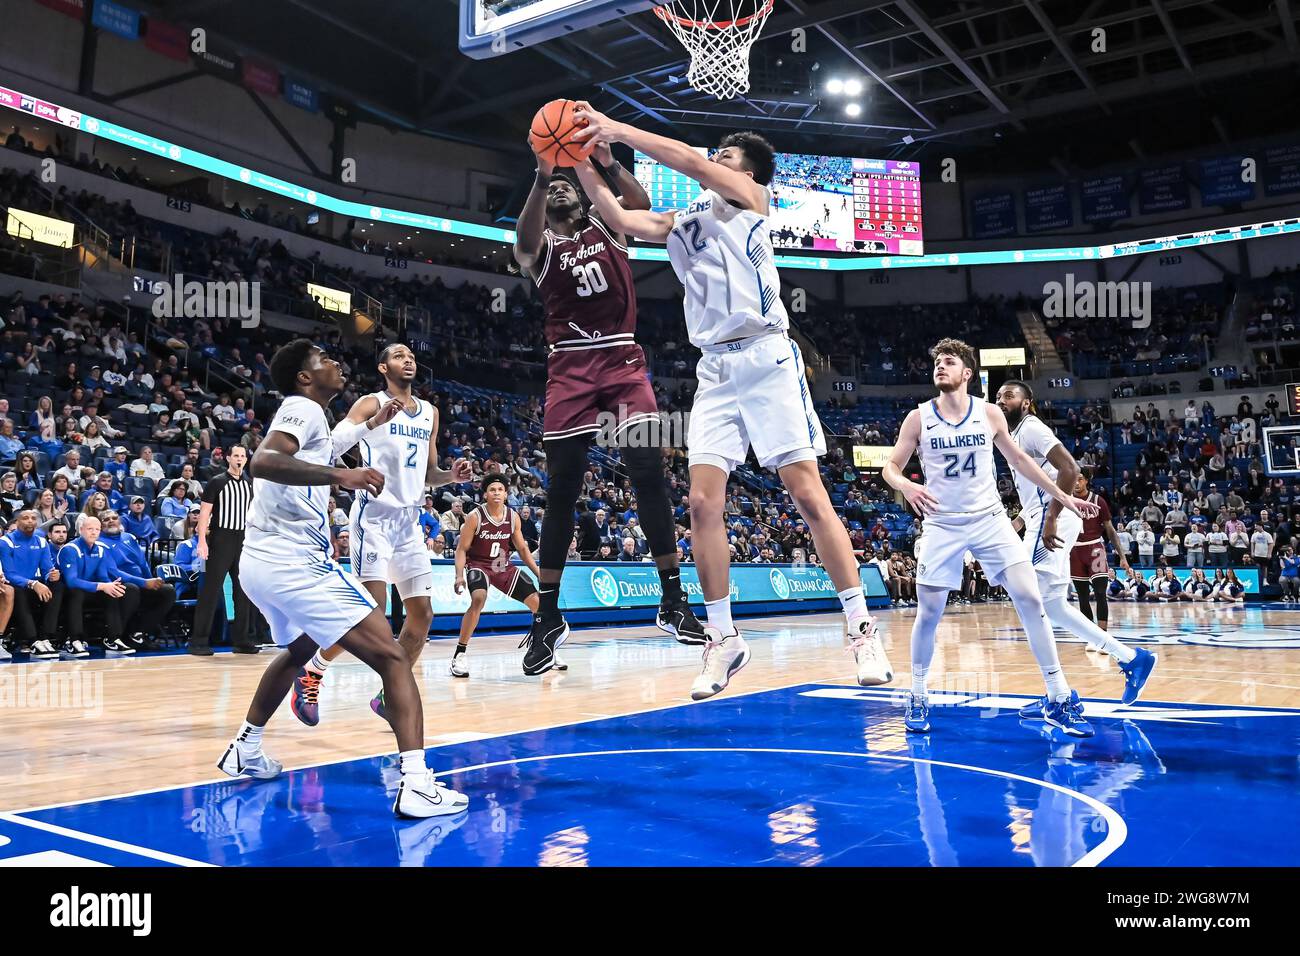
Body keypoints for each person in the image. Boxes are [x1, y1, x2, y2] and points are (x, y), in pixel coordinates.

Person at [570, 110, 885, 699]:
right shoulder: (686, 218)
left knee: (808, 493)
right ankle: (723, 638)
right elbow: (618, 217)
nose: (717, 160)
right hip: (713, 368)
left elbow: (687, 161)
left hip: (767, 357)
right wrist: (584, 162)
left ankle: (861, 629)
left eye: (728, 156)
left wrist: (616, 129)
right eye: (717, 154)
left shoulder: (750, 200)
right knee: (701, 502)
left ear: (750, 173)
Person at [216, 339, 469, 819]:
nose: (336, 362)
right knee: (393, 658)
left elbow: (331, 447)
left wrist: (368, 430)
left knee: (299, 649)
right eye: (324, 360)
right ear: (305, 377)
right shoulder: (301, 407)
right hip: (294, 562)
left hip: (263, 562)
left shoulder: (319, 419)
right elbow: (264, 462)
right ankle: (417, 784)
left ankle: (245, 747)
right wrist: (344, 478)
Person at [512, 137, 704, 678]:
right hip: (569, 373)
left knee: (649, 471)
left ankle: (672, 600)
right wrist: (540, 174)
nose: (562, 191)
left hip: (622, 364)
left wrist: (606, 161)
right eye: (554, 190)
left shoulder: (608, 225)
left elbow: (638, 205)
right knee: (562, 492)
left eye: (566, 186)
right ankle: (547, 618)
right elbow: (523, 239)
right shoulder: (540, 249)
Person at [879, 339, 1099, 736]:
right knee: (929, 612)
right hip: (942, 523)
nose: (940, 367)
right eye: (937, 363)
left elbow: (1021, 461)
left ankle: (1058, 696)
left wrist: (1064, 497)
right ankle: (916, 694)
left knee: (1031, 598)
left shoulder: (990, 413)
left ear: (967, 374)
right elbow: (890, 467)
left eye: (949, 362)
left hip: (990, 519)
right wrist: (906, 486)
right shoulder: (918, 418)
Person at [292, 343, 473, 722]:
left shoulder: (430, 412)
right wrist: (366, 436)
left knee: (422, 615)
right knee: (369, 614)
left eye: (410, 356)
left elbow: (429, 474)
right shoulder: (369, 404)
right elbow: (333, 445)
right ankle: (314, 670)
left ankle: (389, 695)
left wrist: (449, 478)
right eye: (398, 356)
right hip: (373, 517)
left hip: (408, 522)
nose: (407, 360)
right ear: (383, 367)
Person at [996, 382, 1153, 704]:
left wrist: (1051, 517)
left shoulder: (1032, 428)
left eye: (1008, 396)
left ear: (1027, 403)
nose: (1001, 401)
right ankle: (1130, 658)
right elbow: (1037, 490)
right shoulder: (1013, 436)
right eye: (998, 397)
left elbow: (1070, 468)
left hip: (1049, 521)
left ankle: (1057, 693)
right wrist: (1024, 520)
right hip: (1040, 518)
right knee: (1052, 606)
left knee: (1025, 597)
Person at [451, 475, 546, 678]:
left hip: (502, 565)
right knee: (478, 599)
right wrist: (459, 575)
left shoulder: (513, 517)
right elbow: (461, 549)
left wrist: (538, 573)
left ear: (505, 494)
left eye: (500, 489)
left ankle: (543, 651)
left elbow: (522, 548)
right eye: (492, 489)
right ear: (485, 494)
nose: (496, 493)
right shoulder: (475, 516)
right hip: (478, 565)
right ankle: (460, 653)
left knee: (538, 603)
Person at [56, 515, 157, 656]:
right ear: (81, 530)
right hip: (69, 592)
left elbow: (103, 576)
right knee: (77, 592)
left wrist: (110, 585)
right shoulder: (70, 549)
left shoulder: (100, 549)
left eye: (97, 529)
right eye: (90, 529)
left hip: (91, 590)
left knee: (117, 591)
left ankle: (112, 638)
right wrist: (102, 586)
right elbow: (71, 581)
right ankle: (74, 640)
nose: (93, 532)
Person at [190, 445, 256, 656]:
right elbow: (204, 514)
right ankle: (198, 640)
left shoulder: (250, 485)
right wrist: (202, 541)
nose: (239, 459)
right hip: (221, 538)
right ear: (228, 458)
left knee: (243, 590)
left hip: (243, 540)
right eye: (235, 455)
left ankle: (241, 639)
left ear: (246, 460)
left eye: (242, 456)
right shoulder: (217, 482)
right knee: (211, 590)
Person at [97, 510, 175, 650]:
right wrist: (144, 583)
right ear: (100, 524)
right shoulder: (99, 543)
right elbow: (113, 572)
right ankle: (116, 636)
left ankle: (138, 632)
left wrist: (151, 580)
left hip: (139, 582)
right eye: (106, 519)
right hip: (116, 584)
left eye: (114, 518)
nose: (111, 521)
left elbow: (142, 562)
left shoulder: (129, 538)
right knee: (131, 589)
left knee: (168, 591)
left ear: (119, 521)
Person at [0, 510, 65, 658]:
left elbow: (47, 568)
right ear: (17, 522)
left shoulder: (41, 541)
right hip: (17, 585)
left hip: (34, 585)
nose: (30, 521)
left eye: (33, 518)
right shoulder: (6, 542)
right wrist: (33, 583)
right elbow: (9, 573)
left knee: (58, 586)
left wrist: (52, 575)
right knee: (18, 591)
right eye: (25, 518)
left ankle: (45, 638)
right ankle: (33, 640)